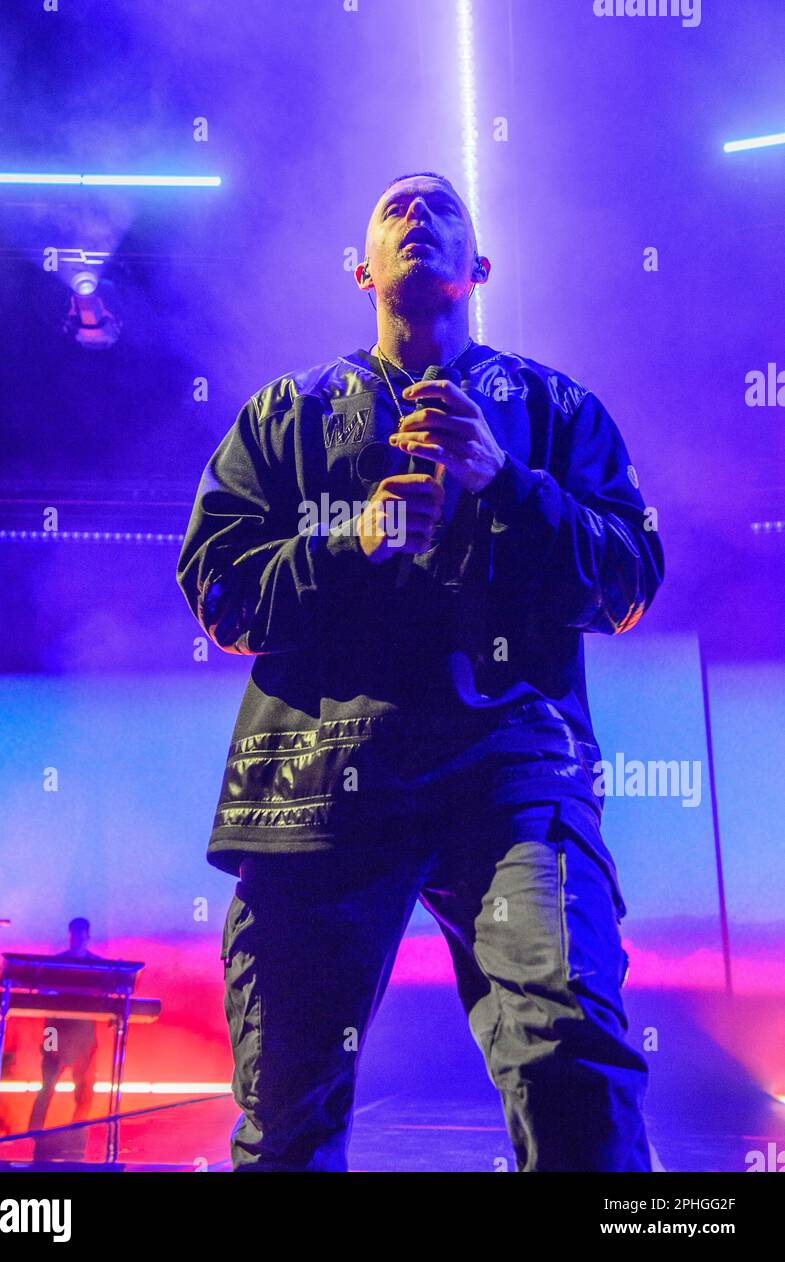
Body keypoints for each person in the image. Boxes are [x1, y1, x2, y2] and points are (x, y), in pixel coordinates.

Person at [177, 172, 665, 1172]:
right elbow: (218, 590)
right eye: (395, 208)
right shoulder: (286, 416)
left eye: (441, 208)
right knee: (286, 1107)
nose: (417, 215)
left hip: (513, 779)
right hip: (314, 784)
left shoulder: (551, 408)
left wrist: (508, 487)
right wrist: (351, 539)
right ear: (360, 269)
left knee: (569, 1046)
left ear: (479, 268)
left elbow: (627, 581)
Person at [28, 917, 101, 1161]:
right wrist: (48, 1042)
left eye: (81, 933)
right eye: (74, 933)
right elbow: (42, 993)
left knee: (85, 1090)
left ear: (87, 936)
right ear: (70, 935)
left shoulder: (98, 965)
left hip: (84, 1035)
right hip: (55, 1031)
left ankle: (76, 1134)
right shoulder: (57, 962)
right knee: (47, 1086)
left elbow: (107, 994)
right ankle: (33, 1137)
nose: (77, 937)